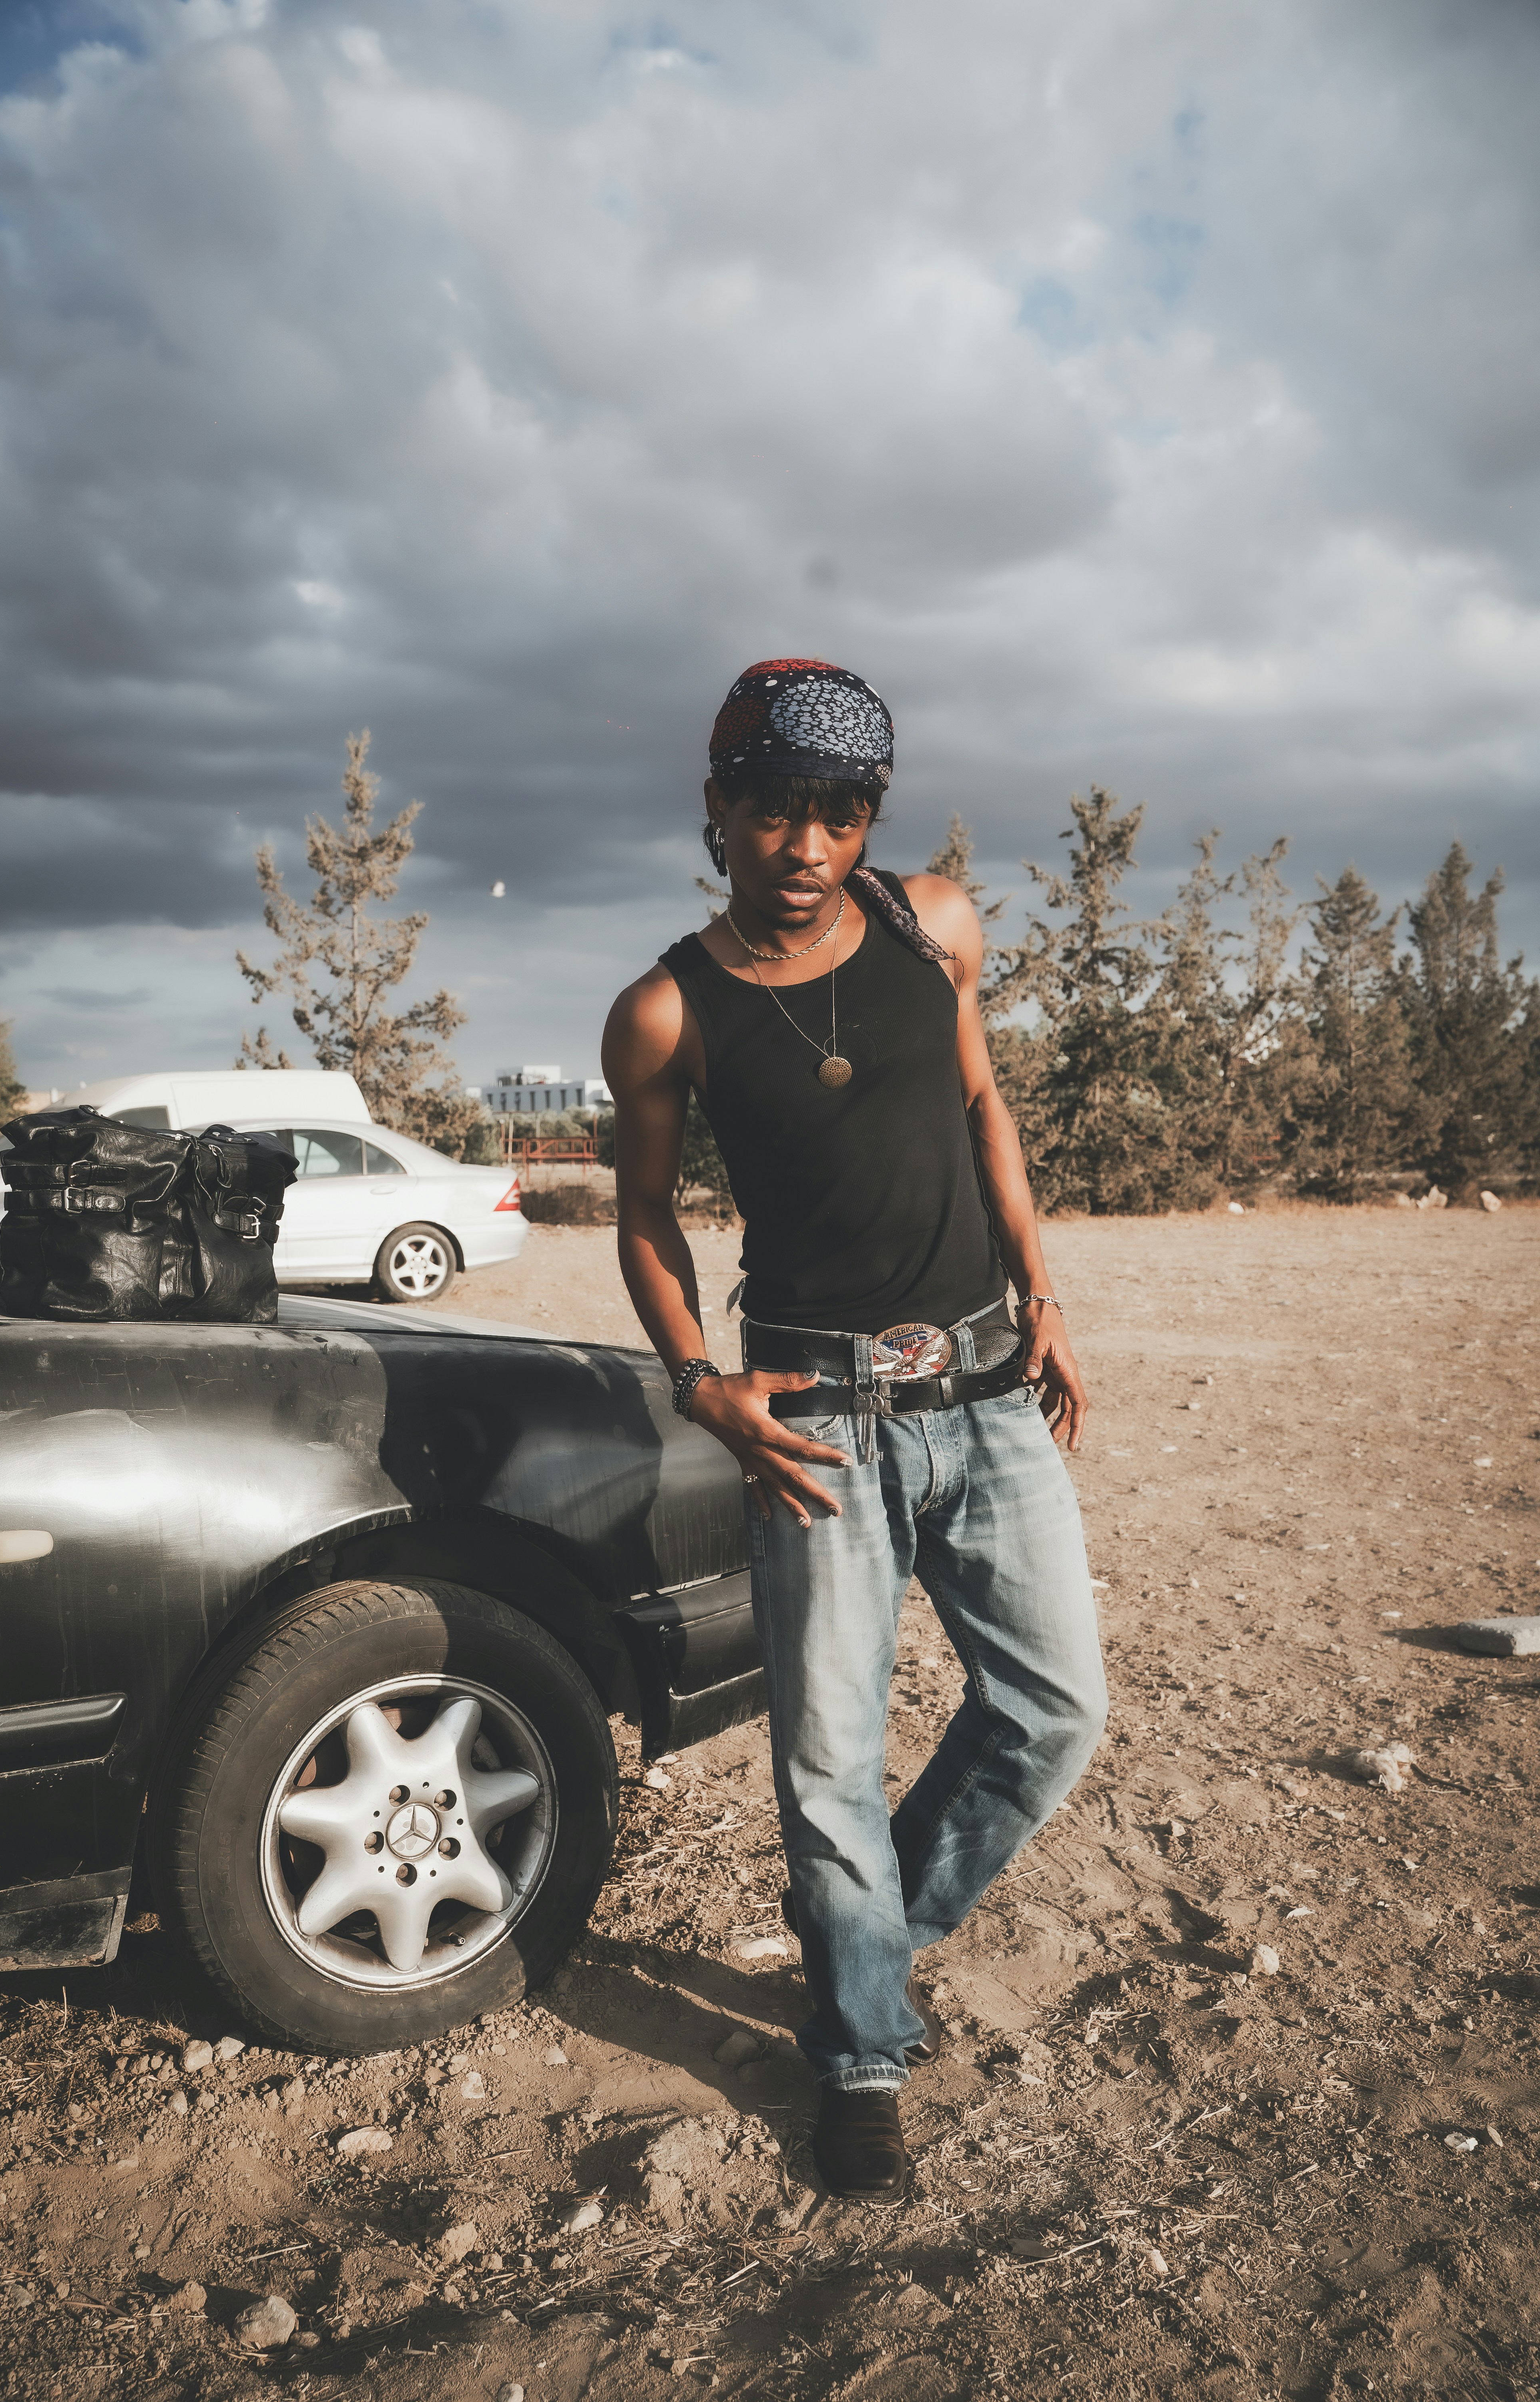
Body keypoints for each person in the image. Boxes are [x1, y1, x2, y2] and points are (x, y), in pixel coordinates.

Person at [602, 658, 1106, 2205]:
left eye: (836, 811)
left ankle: (873, 1931)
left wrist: (1046, 1292)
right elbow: (642, 1223)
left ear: (864, 818)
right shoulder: (666, 1009)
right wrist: (704, 1385)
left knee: (1054, 1710)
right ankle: (861, 2048)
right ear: (720, 814)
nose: (805, 843)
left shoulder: (931, 924)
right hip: (814, 1418)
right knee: (829, 1758)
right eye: (772, 810)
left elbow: (982, 1109)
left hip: (983, 1388)